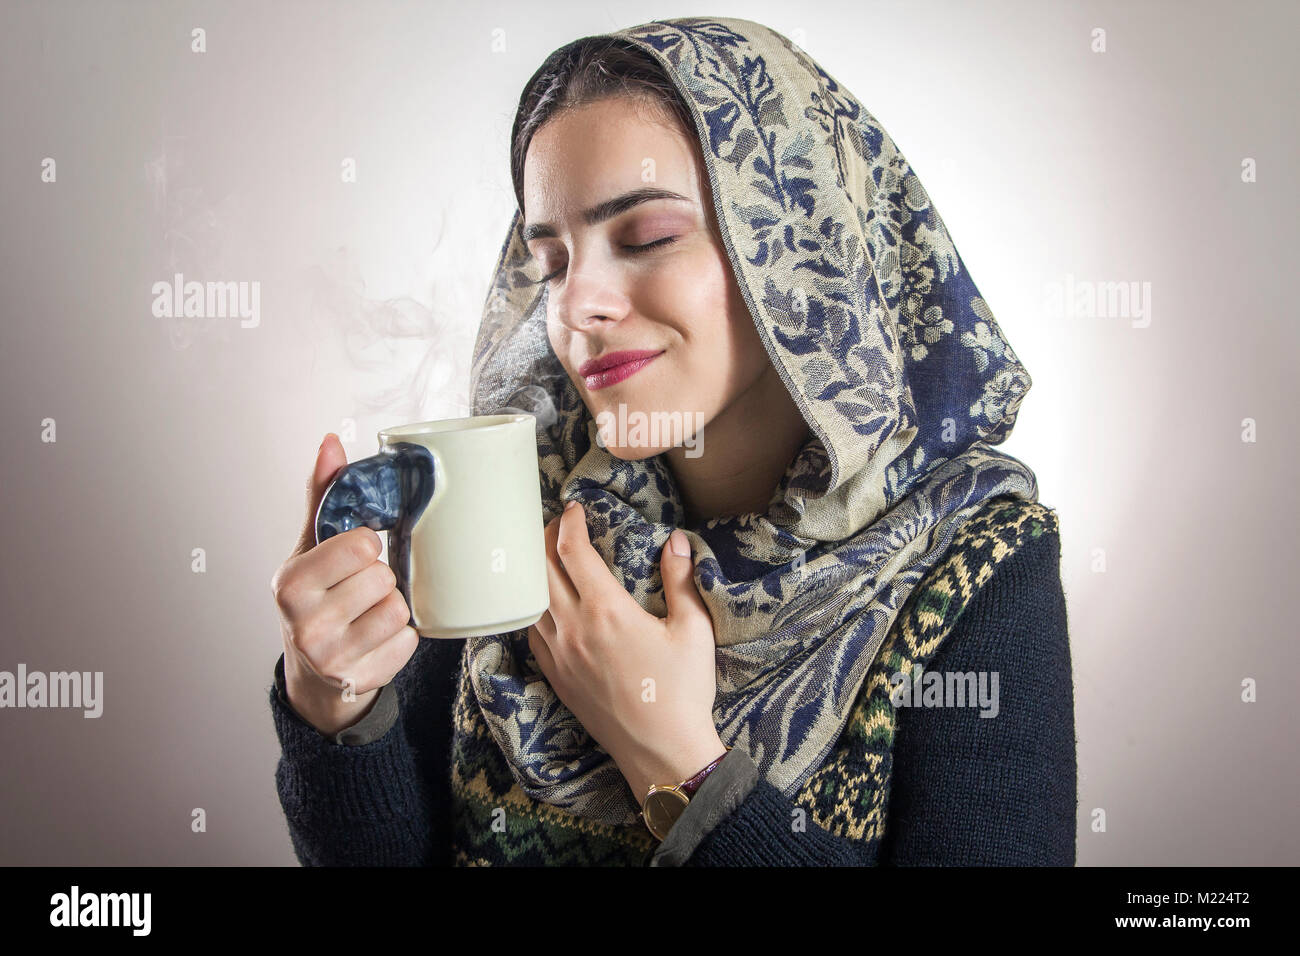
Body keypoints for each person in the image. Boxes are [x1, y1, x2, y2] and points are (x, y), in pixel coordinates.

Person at [268, 15, 1076, 866]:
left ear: (801, 249)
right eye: (551, 263)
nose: (578, 306)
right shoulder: (529, 520)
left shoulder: (974, 561)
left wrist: (680, 767)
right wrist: (337, 710)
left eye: (647, 238)